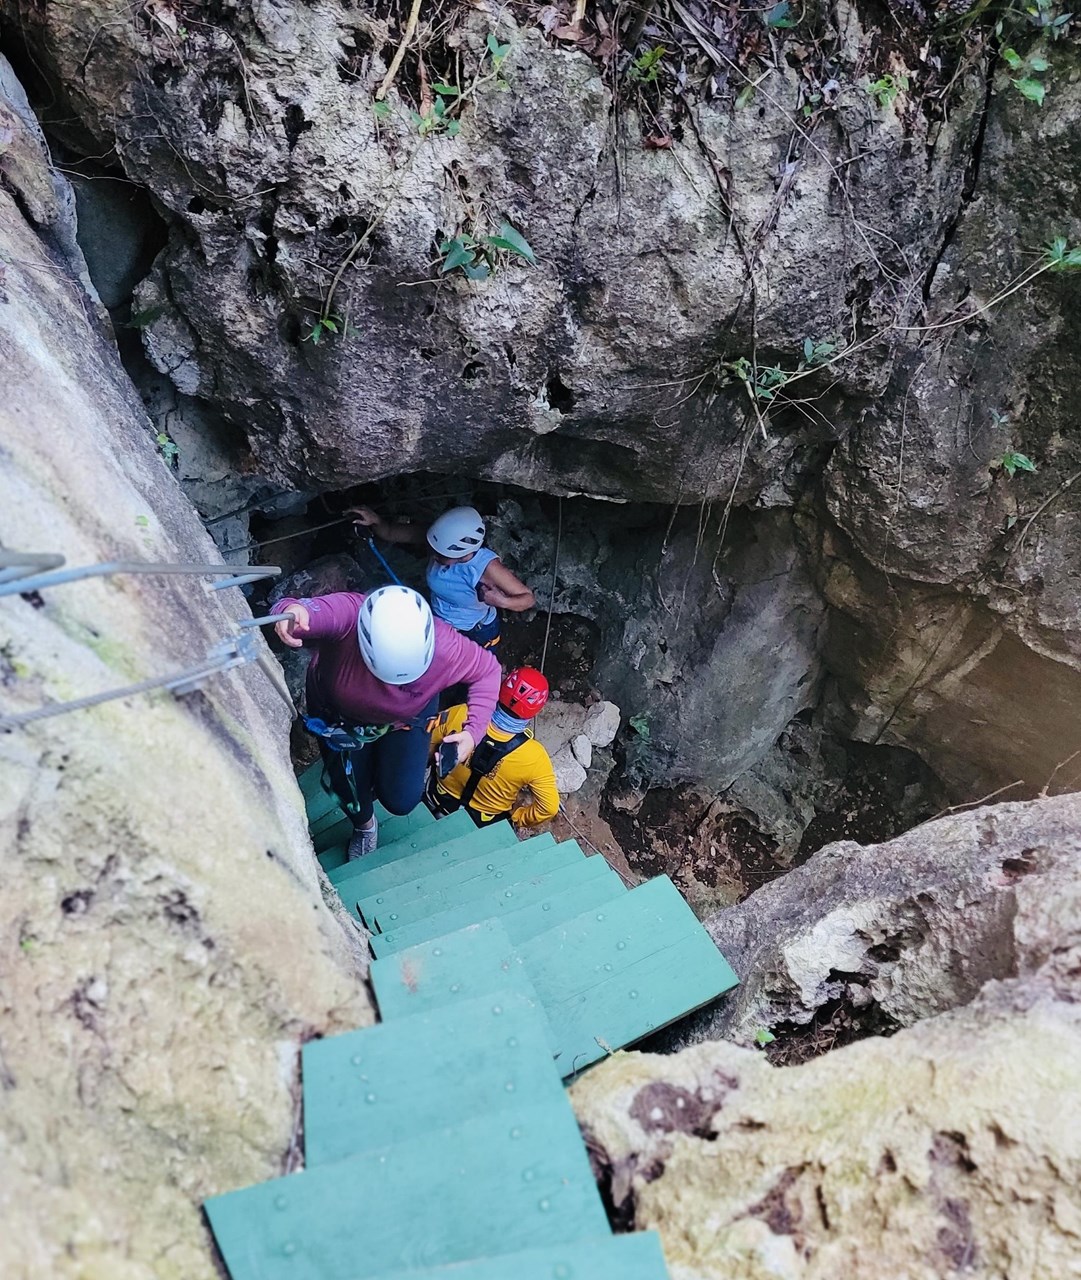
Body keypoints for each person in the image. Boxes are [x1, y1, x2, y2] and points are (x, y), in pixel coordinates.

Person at [272, 586, 500, 859]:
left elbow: (487, 670)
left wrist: (472, 733)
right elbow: (300, 611)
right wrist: (289, 613)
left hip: (407, 719)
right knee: (348, 789)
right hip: (339, 718)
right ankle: (365, 826)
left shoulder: (447, 646)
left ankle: (377, 776)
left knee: (402, 800)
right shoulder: (349, 614)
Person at [348, 504, 534, 649]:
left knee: (470, 676)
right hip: (439, 623)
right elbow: (389, 532)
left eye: (440, 553)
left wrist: (501, 601)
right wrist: (376, 520)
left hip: (475, 632)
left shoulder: (486, 567)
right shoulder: (438, 539)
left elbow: (527, 598)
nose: (433, 554)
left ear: (461, 553)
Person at [426, 666, 559, 830]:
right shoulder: (534, 756)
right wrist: (518, 818)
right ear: (536, 709)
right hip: (483, 824)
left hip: (439, 800)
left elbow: (428, 745)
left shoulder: (461, 713)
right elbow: (549, 807)